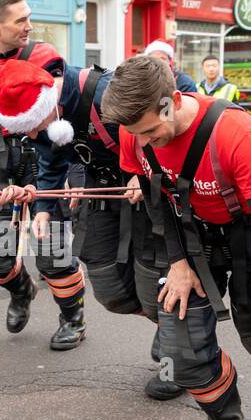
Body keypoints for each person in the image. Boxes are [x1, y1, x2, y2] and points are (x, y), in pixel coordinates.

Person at [104, 55, 251, 420]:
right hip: (191, 235)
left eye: (150, 131)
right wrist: (178, 263)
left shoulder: (235, 133)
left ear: (173, 101)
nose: (143, 143)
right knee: (181, 349)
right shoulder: (134, 133)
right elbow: (155, 199)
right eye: (135, 135)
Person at [35, 60, 184, 398]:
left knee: (156, 288)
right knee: (111, 291)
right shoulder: (48, 116)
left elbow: (159, 132)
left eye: (33, 128)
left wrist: (141, 171)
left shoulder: (107, 95)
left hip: (147, 193)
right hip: (101, 193)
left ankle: (176, 357)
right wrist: (45, 206)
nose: (32, 135)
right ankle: (172, 328)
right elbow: (55, 156)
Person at [0, 0, 86, 349]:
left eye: (29, 17)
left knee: (53, 253)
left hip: (47, 159)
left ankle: (73, 317)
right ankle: (20, 289)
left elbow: (66, 118)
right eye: (21, 20)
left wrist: (74, 174)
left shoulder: (46, 57)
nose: (30, 25)